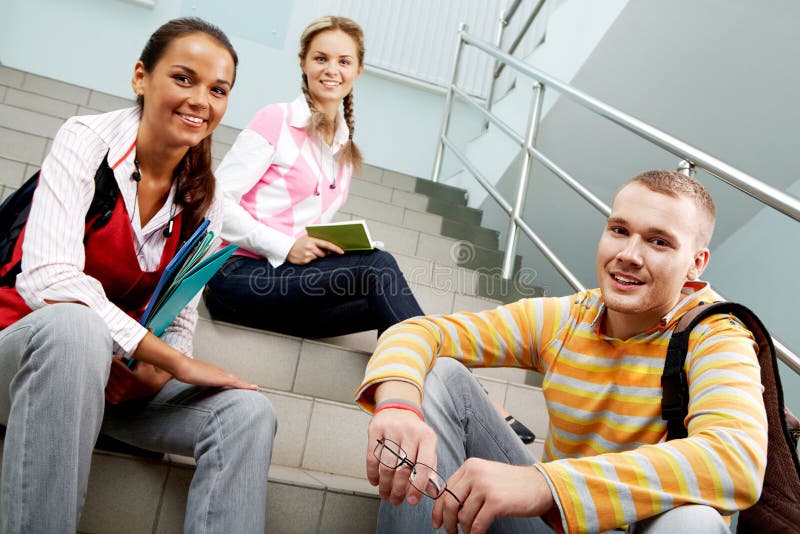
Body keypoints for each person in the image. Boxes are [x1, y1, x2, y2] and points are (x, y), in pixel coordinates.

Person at [356, 170, 768, 533]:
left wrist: (547, 484)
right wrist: (398, 405)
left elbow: (736, 459)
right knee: (441, 377)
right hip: (547, 526)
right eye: (619, 230)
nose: (628, 255)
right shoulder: (568, 318)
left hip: (628, 523)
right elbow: (420, 331)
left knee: (694, 522)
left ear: (696, 263)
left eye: (658, 242)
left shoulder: (717, 336)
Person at [0, 18, 276, 533]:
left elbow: (181, 315)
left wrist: (158, 371)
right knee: (74, 326)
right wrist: (171, 359)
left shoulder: (207, 198)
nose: (201, 100)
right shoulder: (86, 140)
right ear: (140, 77)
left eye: (218, 90)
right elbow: (49, 279)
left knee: (248, 413)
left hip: (112, 385)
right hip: (25, 362)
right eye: (184, 78)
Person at [203, 15, 424, 339]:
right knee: (378, 266)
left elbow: (303, 230)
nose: (332, 70)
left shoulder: (343, 149)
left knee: (381, 299)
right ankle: (438, 362)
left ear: (358, 70)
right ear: (303, 62)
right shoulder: (276, 120)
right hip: (235, 273)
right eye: (321, 58)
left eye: (344, 61)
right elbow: (213, 203)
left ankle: (419, 363)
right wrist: (287, 245)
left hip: (288, 282)